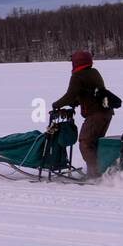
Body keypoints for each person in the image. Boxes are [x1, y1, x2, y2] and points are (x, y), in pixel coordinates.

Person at [51, 50, 112, 181]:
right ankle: (99, 171)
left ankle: (95, 175)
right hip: (106, 113)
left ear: (77, 62)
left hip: (96, 115)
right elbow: (87, 93)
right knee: (94, 143)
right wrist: (74, 104)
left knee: (85, 143)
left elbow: (70, 95)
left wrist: (56, 104)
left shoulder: (78, 75)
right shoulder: (93, 72)